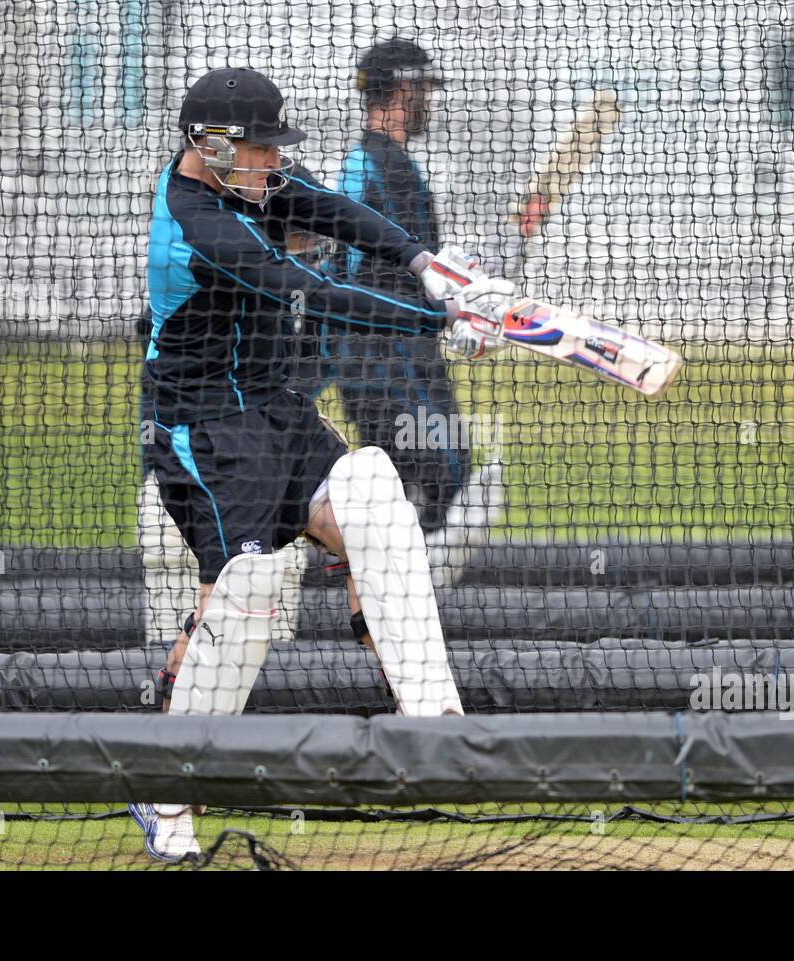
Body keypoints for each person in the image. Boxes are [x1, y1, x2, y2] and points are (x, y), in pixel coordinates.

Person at [128, 66, 516, 863]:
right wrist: (441, 317)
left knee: (375, 494)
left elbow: (330, 212)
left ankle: (438, 731)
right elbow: (311, 286)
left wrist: (424, 264)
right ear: (211, 144)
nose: (277, 162)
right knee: (247, 589)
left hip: (279, 412)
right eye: (263, 148)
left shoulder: (252, 175)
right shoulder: (196, 223)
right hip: (203, 432)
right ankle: (166, 789)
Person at [292, 40, 504, 581]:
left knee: (427, 482)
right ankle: (407, 593)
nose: (428, 102)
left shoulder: (394, 165)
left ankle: (403, 590)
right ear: (403, 90)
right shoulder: (371, 164)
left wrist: (457, 293)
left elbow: (414, 260)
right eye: (423, 91)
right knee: (445, 476)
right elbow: (351, 269)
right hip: (383, 358)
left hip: (399, 351)